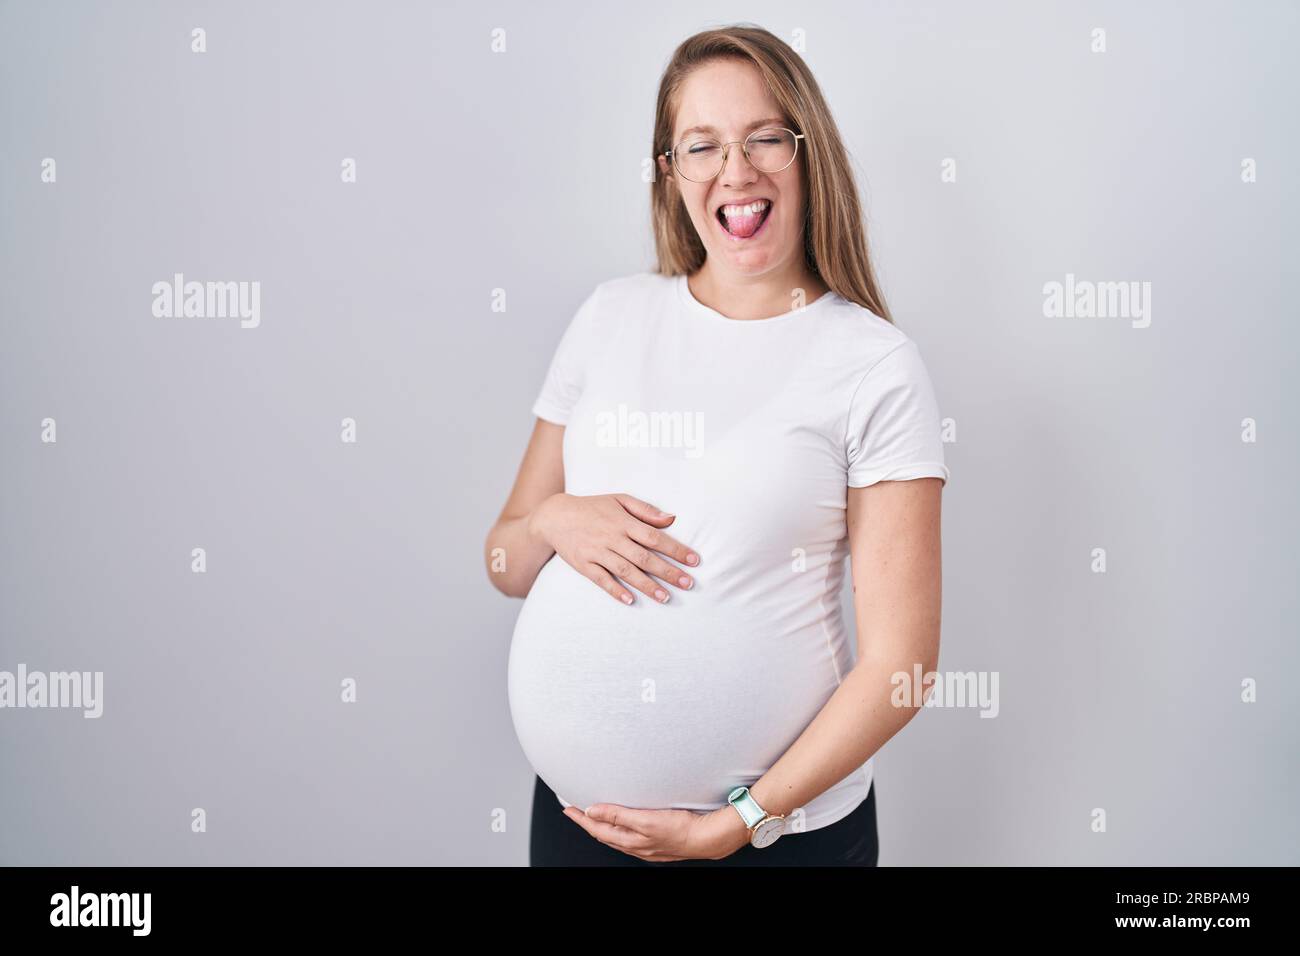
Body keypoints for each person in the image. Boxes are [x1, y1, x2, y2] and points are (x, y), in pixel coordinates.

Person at [485, 24, 948, 867]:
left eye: (765, 138)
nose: (736, 171)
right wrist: (552, 519)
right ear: (670, 173)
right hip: (578, 829)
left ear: (809, 152)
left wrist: (732, 825)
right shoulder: (609, 316)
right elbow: (505, 561)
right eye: (701, 146)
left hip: (773, 842)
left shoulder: (874, 364)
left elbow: (902, 665)